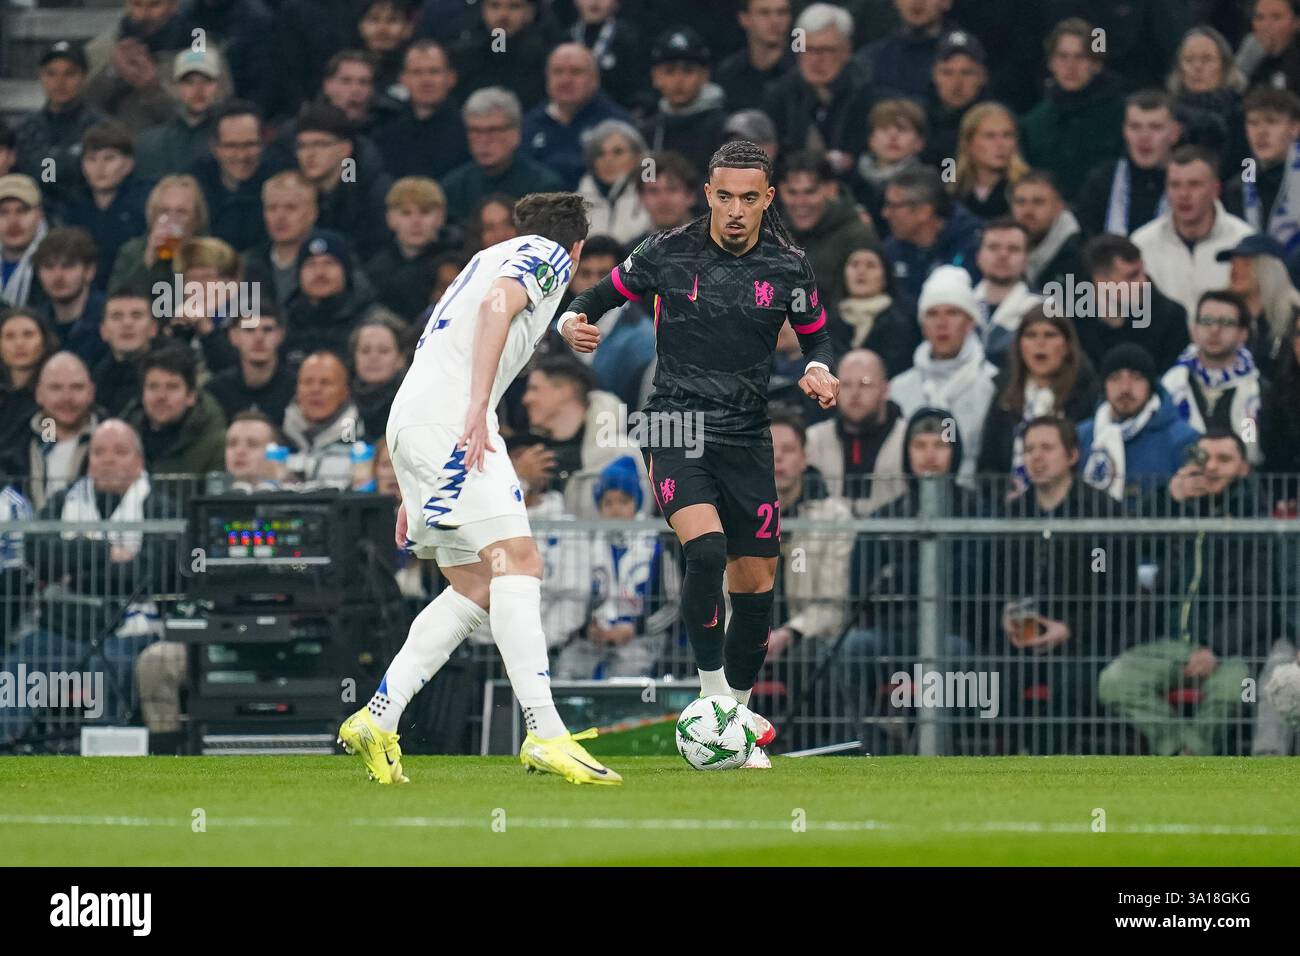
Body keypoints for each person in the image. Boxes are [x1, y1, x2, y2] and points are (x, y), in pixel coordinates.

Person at [562, 141, 840, 768]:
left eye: (749, 198)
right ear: (707, 195)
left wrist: (819, 366)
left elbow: (818, 333)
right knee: (706, 548)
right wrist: (571, 323)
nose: (736, 210)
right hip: (675, 424)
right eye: (724, 196)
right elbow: (594, 299)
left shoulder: (789, 265)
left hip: (747, 433)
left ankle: (734, 721)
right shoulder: (666, 250)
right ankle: (713, 701)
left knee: (757, 586)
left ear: (768, 199)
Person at [339, 190, 624, 786]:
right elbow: (500, 309)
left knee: (475, 584)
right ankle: (546, 733)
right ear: (574, 248)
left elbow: (468, 326)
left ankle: (378, 717)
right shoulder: (545, 255)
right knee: (519, 563)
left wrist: (412, 479)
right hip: (454, 421)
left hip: (414, 422)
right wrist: (475, 407)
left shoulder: (487, 258)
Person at [1098, 430, 1269, 756]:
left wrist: (1215, 648)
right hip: (1168, 643)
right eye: (1204, 458)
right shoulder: (1176, 505)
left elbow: (1260, 602)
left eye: (1224, 459)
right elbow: (1129, 548)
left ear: (1244, 468)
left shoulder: (1256, 518)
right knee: (1114, 680)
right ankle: (1181, 752)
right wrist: (1167, 500)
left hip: (1232, 650)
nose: (1212, 468)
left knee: (1236, 691)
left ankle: (1189, 760)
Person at [838, 405, 977, 755]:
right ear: (907, 452)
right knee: (852, 648)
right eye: (920, 445)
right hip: (890, 634)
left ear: (955, 451)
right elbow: (860, 591)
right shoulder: (884, 518)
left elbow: (978, 584)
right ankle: (867, 747)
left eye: (940, 445)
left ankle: (943, 748)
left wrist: (902, 577)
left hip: (955, 633)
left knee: (954, 653)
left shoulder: (978, 512)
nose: (930, 455)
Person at [992, 416, 1126, 754]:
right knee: (992, 676)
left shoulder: (1103, 512)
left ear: (1072, 455)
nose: (1036, 457)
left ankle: (1048, 767)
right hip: (1021, 640)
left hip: (1085, 641)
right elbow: (994, 582)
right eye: (1029, 449)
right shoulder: (1013, 513)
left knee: (1068, 681)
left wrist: (1070, 628)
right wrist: (1004, 614)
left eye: (1047, 448)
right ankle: (1003, 766)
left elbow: (1119, 594)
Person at [554, 456, 675, 680]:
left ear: (637, 502)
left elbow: (674, 604)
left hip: (643, 637)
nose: (615, 509)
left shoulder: (658, 545)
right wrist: (588, 628)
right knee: (567, 668)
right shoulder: (589, 545)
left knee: (627, 672)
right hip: (594, 639)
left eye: (623, 501)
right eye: (608, 503)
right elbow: (579, 598)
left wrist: (634, 629)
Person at [889, 265, 998, 482]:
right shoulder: (898, 388)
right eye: (932, 314)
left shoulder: (994, 384)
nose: (942, 323)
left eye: (952, 312)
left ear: (970, 322)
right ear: (922, 325)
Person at [762, 409, 855, 663]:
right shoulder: (734, 516)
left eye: (788, 450)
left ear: (804, 459)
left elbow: (832, 606)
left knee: (810, 658)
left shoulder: (834, 518)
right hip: (741, 641)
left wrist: (789, 633)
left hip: (803, 642)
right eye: (769, 448)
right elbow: (724, 601)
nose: (778, 457)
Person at [977, 305, 1101, 483]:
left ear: (1066, 346)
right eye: (1031, 335)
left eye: (1050, 335)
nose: (1040, 343)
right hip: (1011, 507)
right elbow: (988, 464)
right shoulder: (1004, 396)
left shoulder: (1087, 395)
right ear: (1019, 346)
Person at [1131, 145, 1254, 320]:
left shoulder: (1243, 240)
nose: (1183, 194)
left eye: (1194, 185)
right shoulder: (1141, 243)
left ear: (1215, 190)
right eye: (1175, 185)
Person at [1018, 18, 1125, 203]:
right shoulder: (1033, 123)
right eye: (1063, 56)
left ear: (1095, 63)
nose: (1071, 66)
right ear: (1051, 63)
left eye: (1080, 57)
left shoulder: (1122, 115)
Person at [1078, 343, 1200, 501]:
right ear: (1104, 386)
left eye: (1136, 378)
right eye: (1115, 378)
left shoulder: (1183, 439)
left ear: (1151, 386)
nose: (1125, 388)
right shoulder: (1082, 436)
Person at [1160, 290, 1264, 463]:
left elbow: (1253, 444)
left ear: (1243, 334)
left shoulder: (1258, 390)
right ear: (1193, 330)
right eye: (1207, 321)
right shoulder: (1169, 387)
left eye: (1226, 323)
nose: (1215, 330)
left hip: (1244, 486)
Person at [763, 3, 873, 166]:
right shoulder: (779, 94)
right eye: (808, 49)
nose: (816, 59)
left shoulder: (865, 95)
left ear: (846, 51)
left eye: (826, 50)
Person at [804, 348, 907, 517]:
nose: (855, 393)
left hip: (892, 539)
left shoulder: (907, 439)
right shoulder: (813, 440)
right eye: (845, 384)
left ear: (885, 389)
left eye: (865, 384)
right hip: (828, 539)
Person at [438, 87, 565, 224]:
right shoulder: (453, 188)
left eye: (493, 130)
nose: (484, 140)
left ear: (515, 133)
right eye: (475, 131)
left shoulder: (544, 188)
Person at [521, 43, 631, 191]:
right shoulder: (528, 125)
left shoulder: (618, 125)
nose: (565, 80)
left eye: (576, 72)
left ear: (594, 79)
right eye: (557, 72)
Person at [1076, 234, 1190, 375]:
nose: (1143, 282)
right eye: (1131, 277)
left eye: (1142, 271)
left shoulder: (1171, 318)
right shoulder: (1075, 319)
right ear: (1100, 281)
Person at [1, 351, 101, 510]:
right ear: (39, 393)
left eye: (77, 387)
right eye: (56, 388)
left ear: (91, 392)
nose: (66, 398)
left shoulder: (113, 441)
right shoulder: (15, 442)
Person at [1076, 89, 1182, 239]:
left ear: (1175, 133)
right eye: (1135, 127)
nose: (1144, 137)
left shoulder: (1190, 182)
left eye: (1155, 127)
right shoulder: (1102, 181)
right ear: (1124, 131)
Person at [777, 150, 877, 305]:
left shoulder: (857, 236)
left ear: (831, 190)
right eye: (792, 192)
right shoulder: (772, 235)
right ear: (782, 191)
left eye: (810, 192)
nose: (800, 202)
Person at [12, 41, 102, 209]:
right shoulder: (24, 129)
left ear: (84, 77)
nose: (60, 82)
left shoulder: (100, 128)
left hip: (86, 211)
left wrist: (50, 163)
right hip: (33, 214)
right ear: (41, 76)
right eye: (51, 73)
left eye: (70, 74)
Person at [62, 121, 150, 287]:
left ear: (129, 164)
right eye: (91, 159)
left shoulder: (144, 205)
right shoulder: (73, 207)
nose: (100, 167)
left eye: (109, 158)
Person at [371, 40, 469, 181]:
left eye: (434, 71)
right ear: (403, 80)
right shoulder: (385, 133)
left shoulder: (469, 131)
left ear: (451, 78)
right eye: (417, 73)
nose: (426, 80)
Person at [638, 27, 728, 178]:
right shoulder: (649, 132)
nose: (678, 80)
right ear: (655, 77)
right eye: (669, 71)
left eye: (688, 71)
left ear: (704, 75)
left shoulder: (724, 129)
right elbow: (648, 181)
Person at [122, 346, 228, 475]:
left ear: (191, 396)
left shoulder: (216, 444)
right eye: (153, 387)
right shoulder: (124, 437)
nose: (161, 396)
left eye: (172, 387)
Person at [882, 166, 983, 300]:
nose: (885, 214)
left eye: (893, 206)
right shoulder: (890, 251)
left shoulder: (975, 247)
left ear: (924, 211)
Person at [364, 177, 453, 322]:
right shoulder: (376, 269)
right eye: (406, 213)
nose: (416, 221)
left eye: (424, 212)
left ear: (440, 217)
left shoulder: (458, 263)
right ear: (391, 218)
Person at [825, 241, 920, 377]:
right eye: (854, 264)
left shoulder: (903, 322)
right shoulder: (829, 325)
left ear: (885, 277)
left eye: (871, 265)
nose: (861, 271)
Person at [1223, 88, 1300, 253]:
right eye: (1253, 123)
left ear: (1294, 128)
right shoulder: (1237, 188)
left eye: (1272, 122)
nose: (1261, 132)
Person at [107, 174, 209, 296]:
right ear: (153, 215)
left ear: (197, 218)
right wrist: (148, 261)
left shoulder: (210, 254)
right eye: (164, 211)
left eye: (181, 212)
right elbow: (117, 304)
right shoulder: (132, 252)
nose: (172, 219)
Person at [191, 99, 272, 253]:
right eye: (231, 146)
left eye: (250, 145)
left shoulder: (280, 183)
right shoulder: (196, 185)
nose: (241, 156)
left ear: (263, 144)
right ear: (214, 147)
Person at [133, 49, 223, 180]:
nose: (199, 89)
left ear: (219, 86)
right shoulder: (149, 142)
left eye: (207, 80)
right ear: (175, 87)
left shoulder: (232, 140)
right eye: (189, 82)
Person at [1221, 233, 1300, 378]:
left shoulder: (1295, 319)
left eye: (1246, 263)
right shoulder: (1222, 318)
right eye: (1233, 263)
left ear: (1269, 270)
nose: (1235, 270)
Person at [280, 350, 365, 485]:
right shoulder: (278, 438)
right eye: (307, 382)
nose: (315, 390)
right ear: (297, 389)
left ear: (344, 392)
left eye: (326, 382)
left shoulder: (361, 442)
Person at [203, 306, 295, 425]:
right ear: (233, 336)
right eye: (249, 330)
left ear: (280, 335)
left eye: (267, 330)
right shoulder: (214, 392)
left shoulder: (296, 390)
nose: (259, 338)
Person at [242, 171, 318, 311]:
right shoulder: (248, 265)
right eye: (272, 208)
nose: (280, 217)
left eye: (291, 208)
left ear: (312, 213)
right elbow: (222, 315)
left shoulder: (330, 261)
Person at [33, 227, 107, 369]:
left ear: (89, 271)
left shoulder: (109, 318)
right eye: (48, 267)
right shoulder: (35, 323)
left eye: (68, 266)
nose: (58, 276)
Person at [971, 217, 1040, 367]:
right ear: (978, 257)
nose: (1003, 255)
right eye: (993, 247)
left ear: (1025, 260)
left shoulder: (1043, 309)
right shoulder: (959, 305)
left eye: (1013, 249)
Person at [850, 98, 927, 230]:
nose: (893, 136)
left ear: (919, 143)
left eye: (902, 130)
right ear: (871, 140)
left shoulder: (925, 184)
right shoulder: (850, 180)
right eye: (884, 129)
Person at [575, 121, 652, 245]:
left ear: (638, 156)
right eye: (600, 154)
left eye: (618, 152)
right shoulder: (578, 202)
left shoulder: (652, 195)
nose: (608, 160)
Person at [921, 28, 989, 168]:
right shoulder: (920, 122)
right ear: (934, 76)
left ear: (982, 77)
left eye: (967, 73)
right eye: (947, 72)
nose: (957, 83)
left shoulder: (997, 123)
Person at [951, 102, 1027, 222]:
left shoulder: (1028, 189)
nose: (1001, 145)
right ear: (968, 143)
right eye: (990, 136)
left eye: (1007, 135)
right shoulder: (952, 190)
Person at [714, 0, 795, 112]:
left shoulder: (802, 71)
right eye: (764, 13)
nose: (775, 21)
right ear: (744, 19)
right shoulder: (728, 73)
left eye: (781, 12)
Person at [0, 308, 59, 461]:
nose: (19, 344)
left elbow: (49, 446)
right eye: (9, 336)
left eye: (28, 335)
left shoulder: (52, 402)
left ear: (44, 341)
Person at [1010, 171, 1082, 291]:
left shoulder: (1080, 255)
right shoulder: (1002, 246)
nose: (1028, 211)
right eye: (1020, 202)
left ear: (1059, 207)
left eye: (1038, 202)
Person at [92, 288, 159, 417]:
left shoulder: (173, 375)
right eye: (117, 317)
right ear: (103, 331)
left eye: (136, 316)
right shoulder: (93, 379)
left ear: (153, 329)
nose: (127, 323)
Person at [349, 314, 408, 439]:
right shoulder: (340, 399)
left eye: (384, 350)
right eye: (365, 350)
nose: (373, 357)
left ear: (400, 359)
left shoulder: (410, 402)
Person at [0, 174, 49, 309]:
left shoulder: (55, 264)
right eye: (3, 212)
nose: (13, 222)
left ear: (40, 215)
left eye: (22, 210)